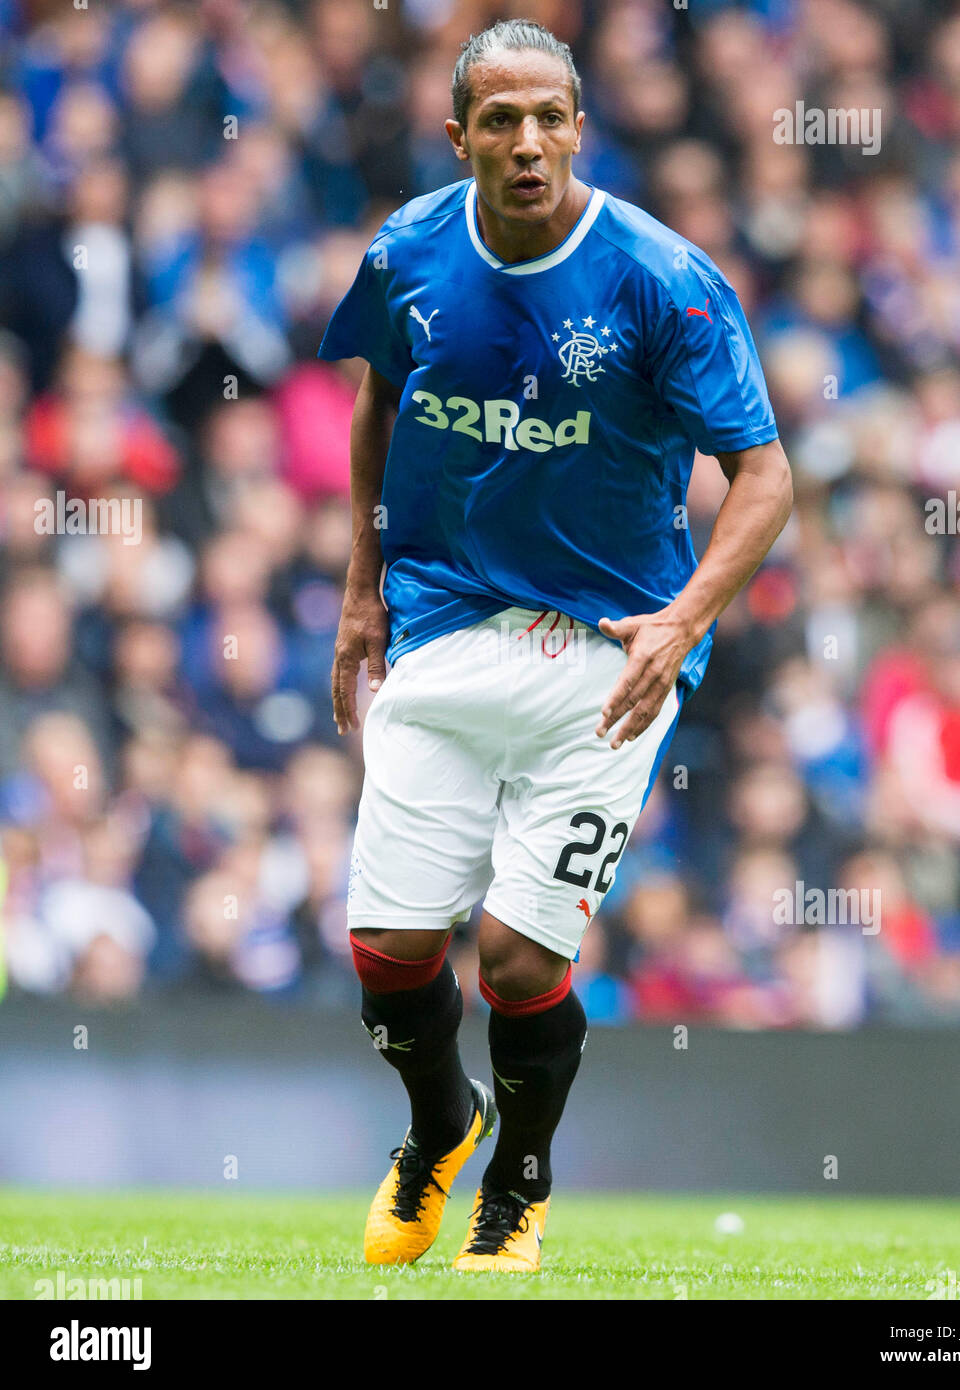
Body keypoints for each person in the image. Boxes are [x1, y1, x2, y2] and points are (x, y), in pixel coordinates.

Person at [321, 19, 792, 1274]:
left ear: (580, 127)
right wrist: (362, 587)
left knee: (518, 954)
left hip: (607, 649)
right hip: (443, 619)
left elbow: (765, 475)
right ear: (460, 134)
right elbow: (380, 391)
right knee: (388, 954)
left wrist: (685, 621)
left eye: (550, 119)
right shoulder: (408, 251)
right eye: (500, 121)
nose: (527, 143)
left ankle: (516, 1189)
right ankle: (440, 1126)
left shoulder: (663, 278)